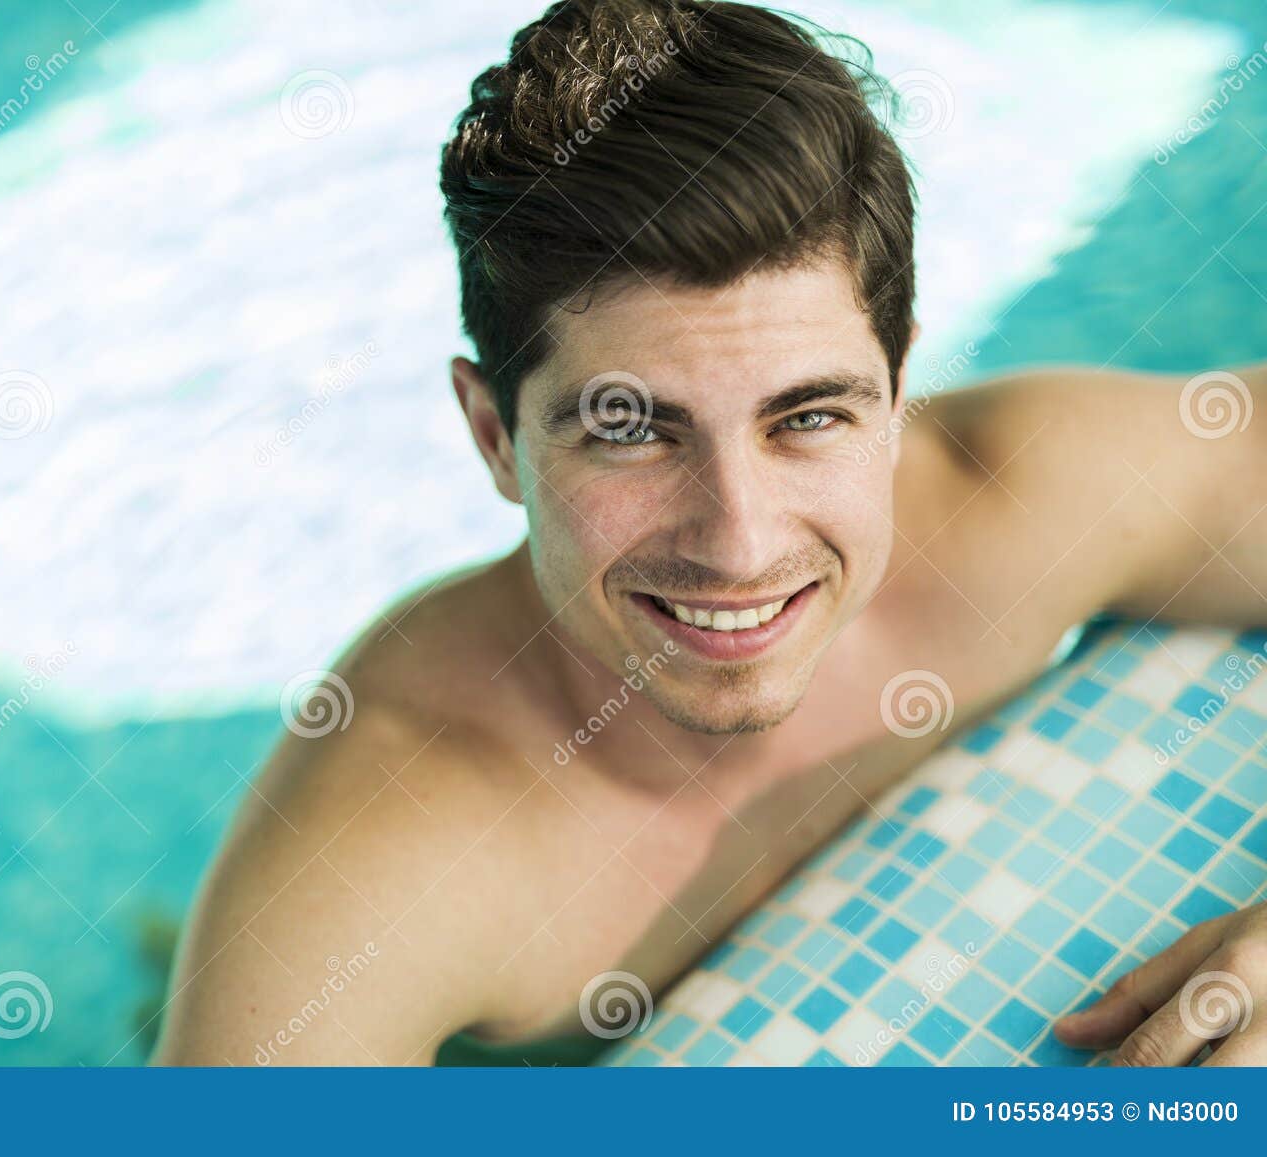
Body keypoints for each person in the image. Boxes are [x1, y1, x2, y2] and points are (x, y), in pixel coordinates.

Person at [154, 0, 1267, 1066]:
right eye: (631, 430)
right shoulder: (387, 854)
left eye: (808, 416)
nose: (738, 543)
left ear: (895, 392)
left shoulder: (1018, 496)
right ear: (494, 437)